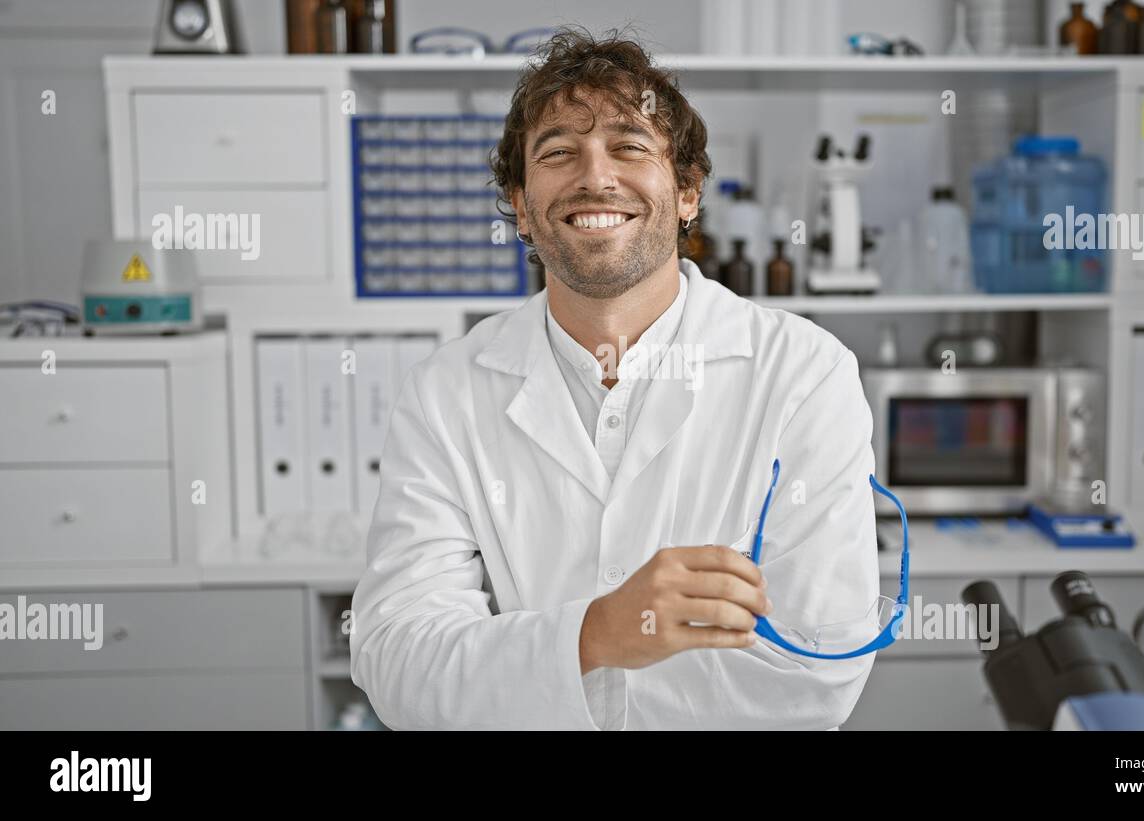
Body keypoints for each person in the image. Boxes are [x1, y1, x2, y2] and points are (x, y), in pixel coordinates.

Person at [350, 27, 879, 730]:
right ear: (520, 204)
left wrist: (549, 670)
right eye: (559, 152)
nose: (595, 177)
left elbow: (820, 668)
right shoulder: (446, 393)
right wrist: (597, 635)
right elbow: (398, 659)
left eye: (629, 146)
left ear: (687, 191)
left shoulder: (805, 374)